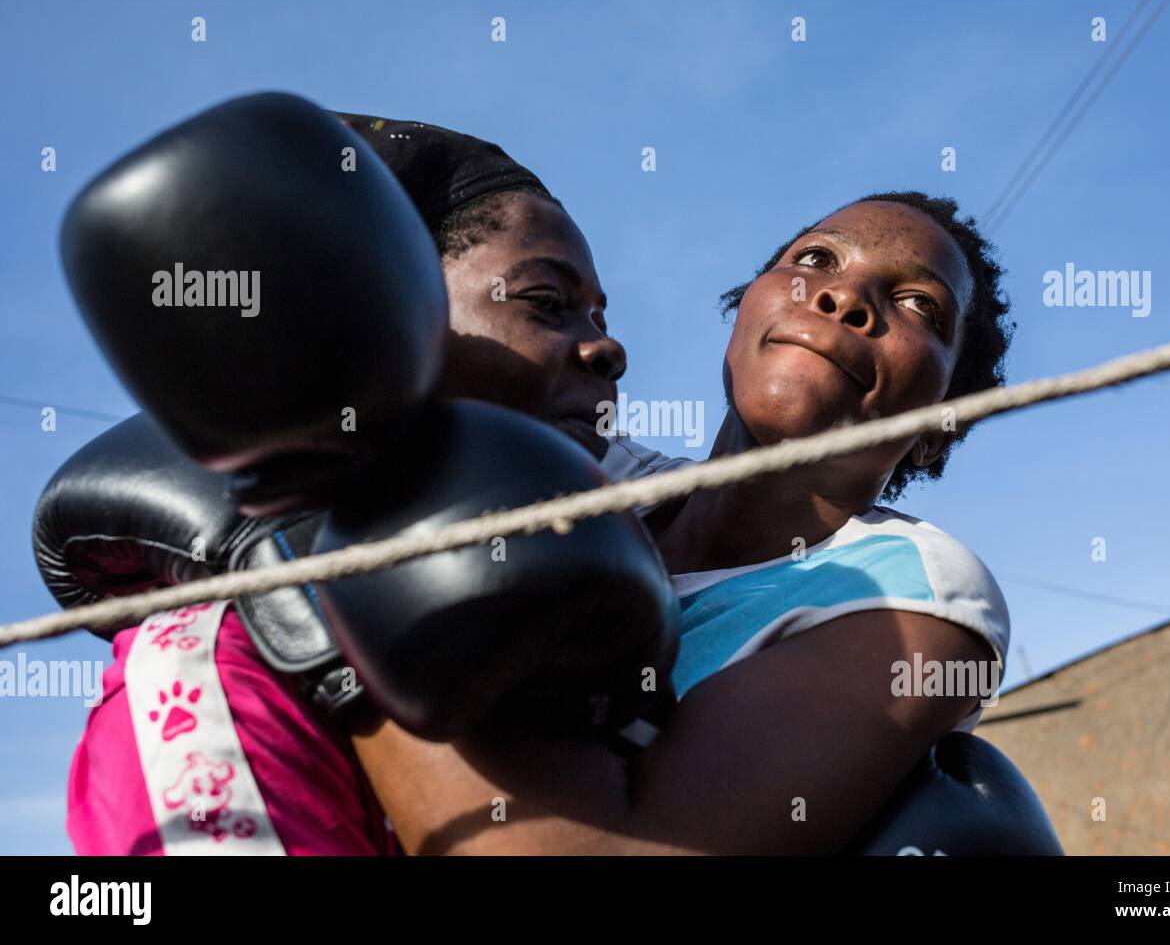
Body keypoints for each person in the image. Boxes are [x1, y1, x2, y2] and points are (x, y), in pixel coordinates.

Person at [347, 191, 1019, 855]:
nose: (845, 297)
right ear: (743, 310)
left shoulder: (914, 593)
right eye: (815, 258)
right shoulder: (591, 471)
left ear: (938, 429)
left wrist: (322, 583)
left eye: (919, 305)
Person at [63, 113, 631, 855]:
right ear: (386, 306)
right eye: (546, 302)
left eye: (598, 314)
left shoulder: (652, 528)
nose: (608, 347)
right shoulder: (214, 653)